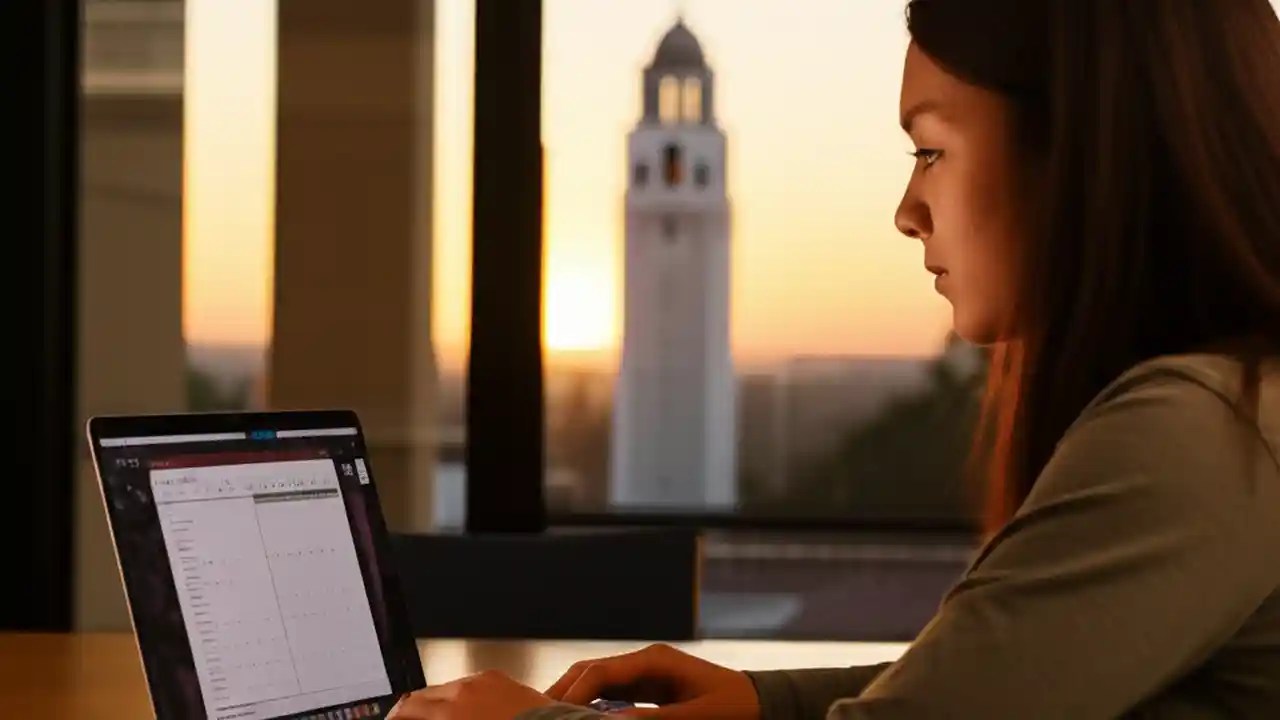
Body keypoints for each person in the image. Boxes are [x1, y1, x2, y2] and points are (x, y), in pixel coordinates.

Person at [389, 0, 1280, 717]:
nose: (906, 209)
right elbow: (996, 676)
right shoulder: (1231, 405)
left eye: (931, 149)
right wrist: (758, 700)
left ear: (1085, 149)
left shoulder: (1197, 433)